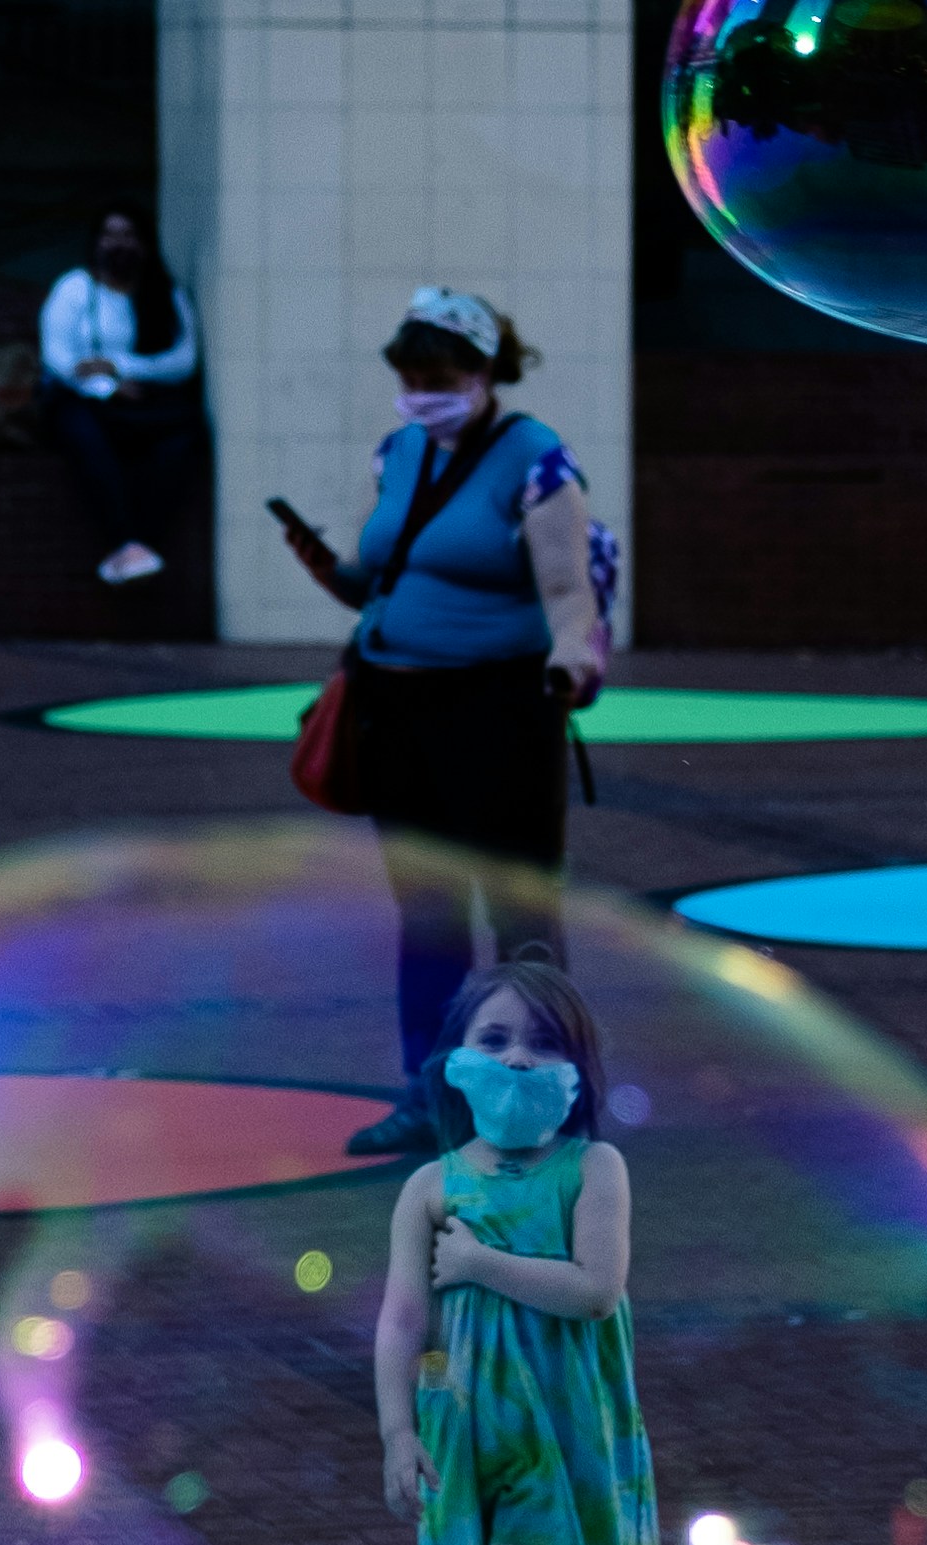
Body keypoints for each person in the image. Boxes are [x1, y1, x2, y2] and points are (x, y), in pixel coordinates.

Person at [277, 288, 610, 1158]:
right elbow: (376, 574)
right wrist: (326, 569)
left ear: (484, 372)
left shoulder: (536, 460)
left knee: (517, 913)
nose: (423, 391)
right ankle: (431, 1095)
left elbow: (567, 588)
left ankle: (545, 1101)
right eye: (411, 376)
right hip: (397, 709)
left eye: (440, 375)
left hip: (498, 710)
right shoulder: (398, 454)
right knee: (425, 910)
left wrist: (573, 655)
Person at [375, 953, 657, 1545]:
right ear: (456, 1058)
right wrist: (396, 1430)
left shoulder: (595, 1169)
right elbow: (403, 1320)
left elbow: (594, 1289)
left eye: (542, 1043)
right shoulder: (429, 1187)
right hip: (463, 1439)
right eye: (494, 1038)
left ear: (578, 1071)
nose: (517, 1059)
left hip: (558, 1438)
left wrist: (487, 1261)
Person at [39, 203, 204, 589]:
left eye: (128, 234)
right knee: (83, 433)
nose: (119, 244)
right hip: (86, 402)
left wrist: (118, 366)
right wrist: (108, 389)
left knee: (182, 438)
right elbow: (61, 359)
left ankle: (139, 544)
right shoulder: (75, 288)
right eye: (110, 234)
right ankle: (124, 541)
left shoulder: (163, 293)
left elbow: (184, 359)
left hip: (144, 406)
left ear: (144, 244)